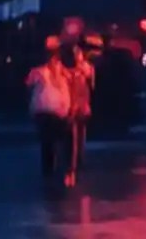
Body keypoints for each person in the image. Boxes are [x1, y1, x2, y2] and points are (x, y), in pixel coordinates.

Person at [26, 41, 71, 183]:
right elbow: (29, 83)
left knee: (59, 141)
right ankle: (49, 170)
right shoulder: (40, 72)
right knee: (47, 142)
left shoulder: (62, 73)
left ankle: (58, 168)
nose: (54, 62)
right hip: (44, 112)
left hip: (60, 112)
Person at [60, 42, 95, 187]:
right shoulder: (71, 70)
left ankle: (76, 162)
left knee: (78, 135)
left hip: (79, 106)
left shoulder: (83, 69)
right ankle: (74, 164)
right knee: (74, 136)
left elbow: (91, 85)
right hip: (73, 106)